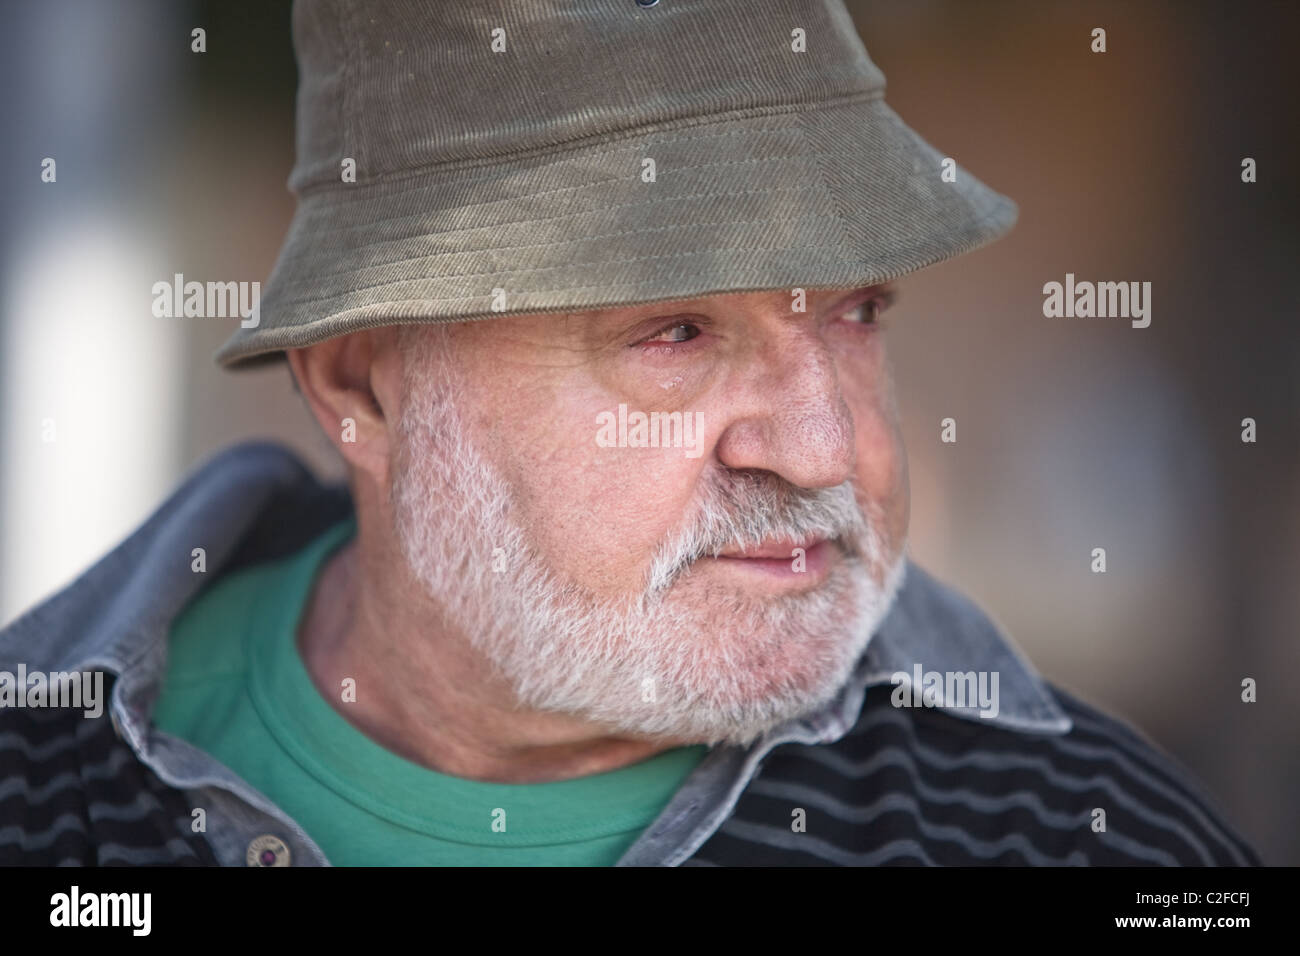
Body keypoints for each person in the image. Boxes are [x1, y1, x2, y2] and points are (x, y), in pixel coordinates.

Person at [0, 0, 1258, 866]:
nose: (822, 449)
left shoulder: (1081, 837)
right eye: (676, 333)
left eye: (857, 311)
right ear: (361, 383)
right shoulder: (40, 793)